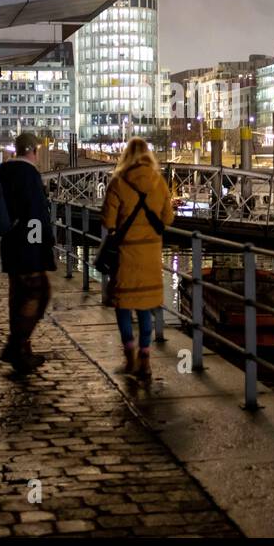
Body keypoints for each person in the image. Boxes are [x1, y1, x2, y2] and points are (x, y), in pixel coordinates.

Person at [101, 138, 173, 380]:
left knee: (123, 306)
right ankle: (145, 359)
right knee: (145, 307)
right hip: (151, 254)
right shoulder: (158, 182)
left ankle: (129, 356)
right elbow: (168, 217)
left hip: (126, 253)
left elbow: (108, 221)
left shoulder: (118, 182)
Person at [0, 132, 56, 374]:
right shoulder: (28, 174)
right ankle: (18, 345)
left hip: (10, 243)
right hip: (27, 247)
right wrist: (41, 243)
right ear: (33, 150)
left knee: (17, 296)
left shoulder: (5, 171)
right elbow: (35, 215)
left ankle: (21, 347)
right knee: (37, 293)